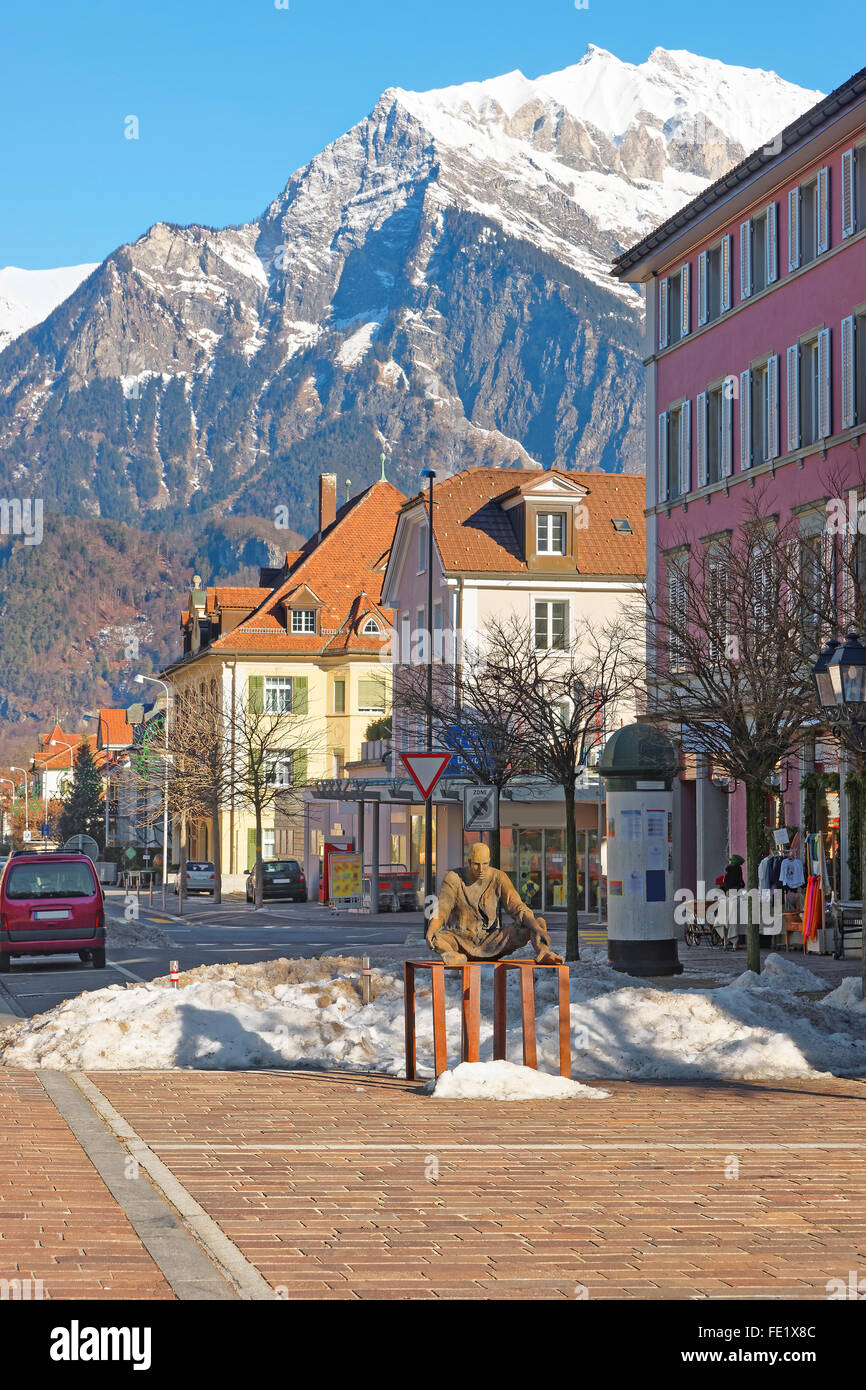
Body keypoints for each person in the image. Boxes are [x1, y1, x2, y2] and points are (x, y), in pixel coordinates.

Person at [427, 841, 562, 967]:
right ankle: (454, 956)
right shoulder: (454, 878)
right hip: (460, 941)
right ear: (469, 862)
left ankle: (543, 952)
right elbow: (442, 908)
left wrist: (537, 929)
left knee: (536, 923)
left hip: (492, 942)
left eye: (485, 864)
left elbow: (517, 907)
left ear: (489, 861)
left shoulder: (499, 877)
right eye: (476, 864)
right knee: (435, 937)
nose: (481, 869)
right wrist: (432, 929)